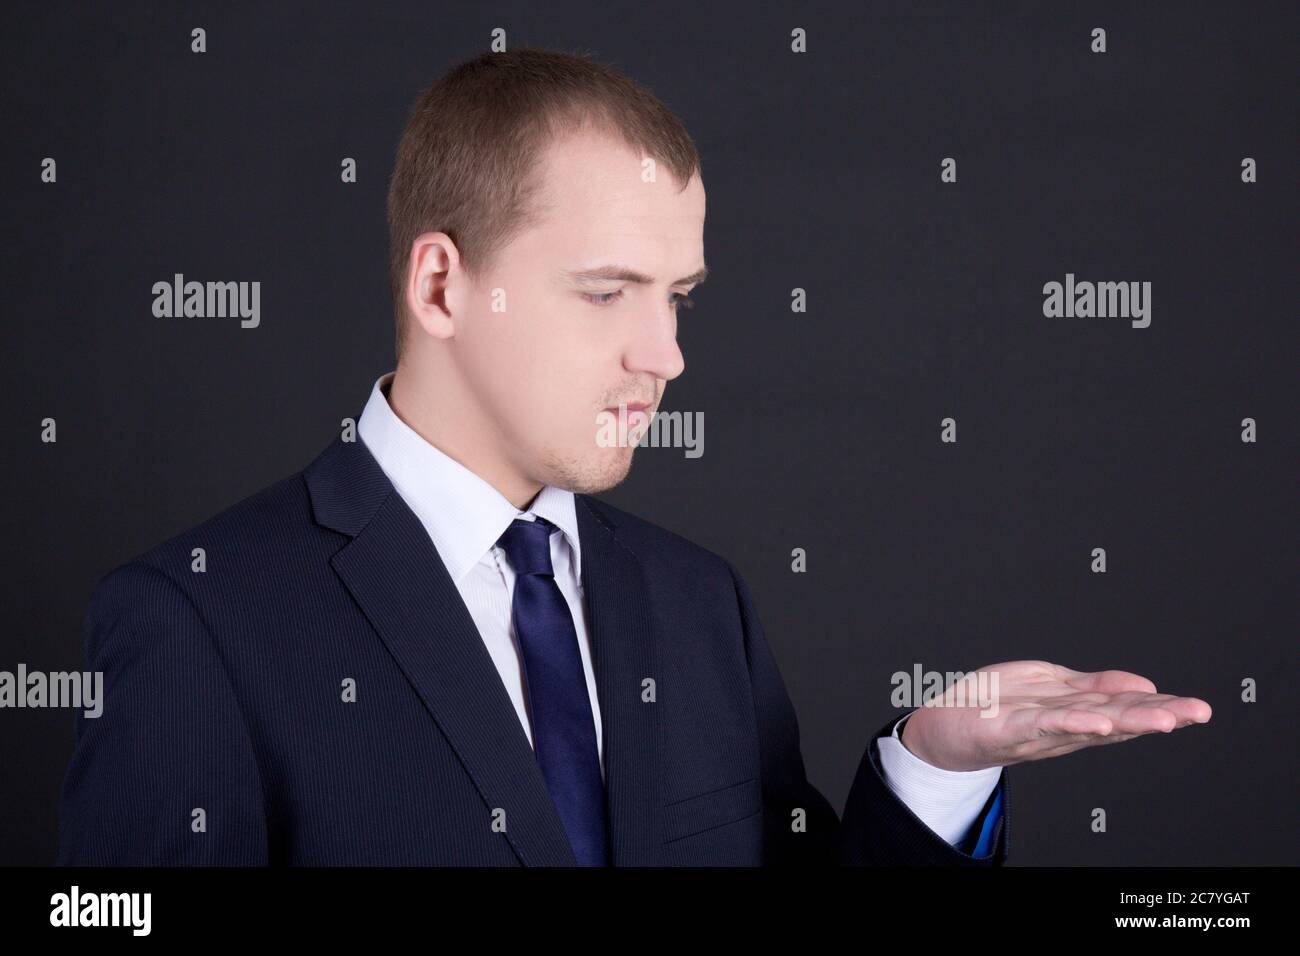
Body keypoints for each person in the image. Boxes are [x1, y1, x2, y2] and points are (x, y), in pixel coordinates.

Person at [55, 47, 1210, 866]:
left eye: (680, 298)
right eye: (608, 291)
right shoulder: (197, 621)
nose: (664, 354)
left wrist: (933, 762)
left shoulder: (699, 603)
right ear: (443, 283)